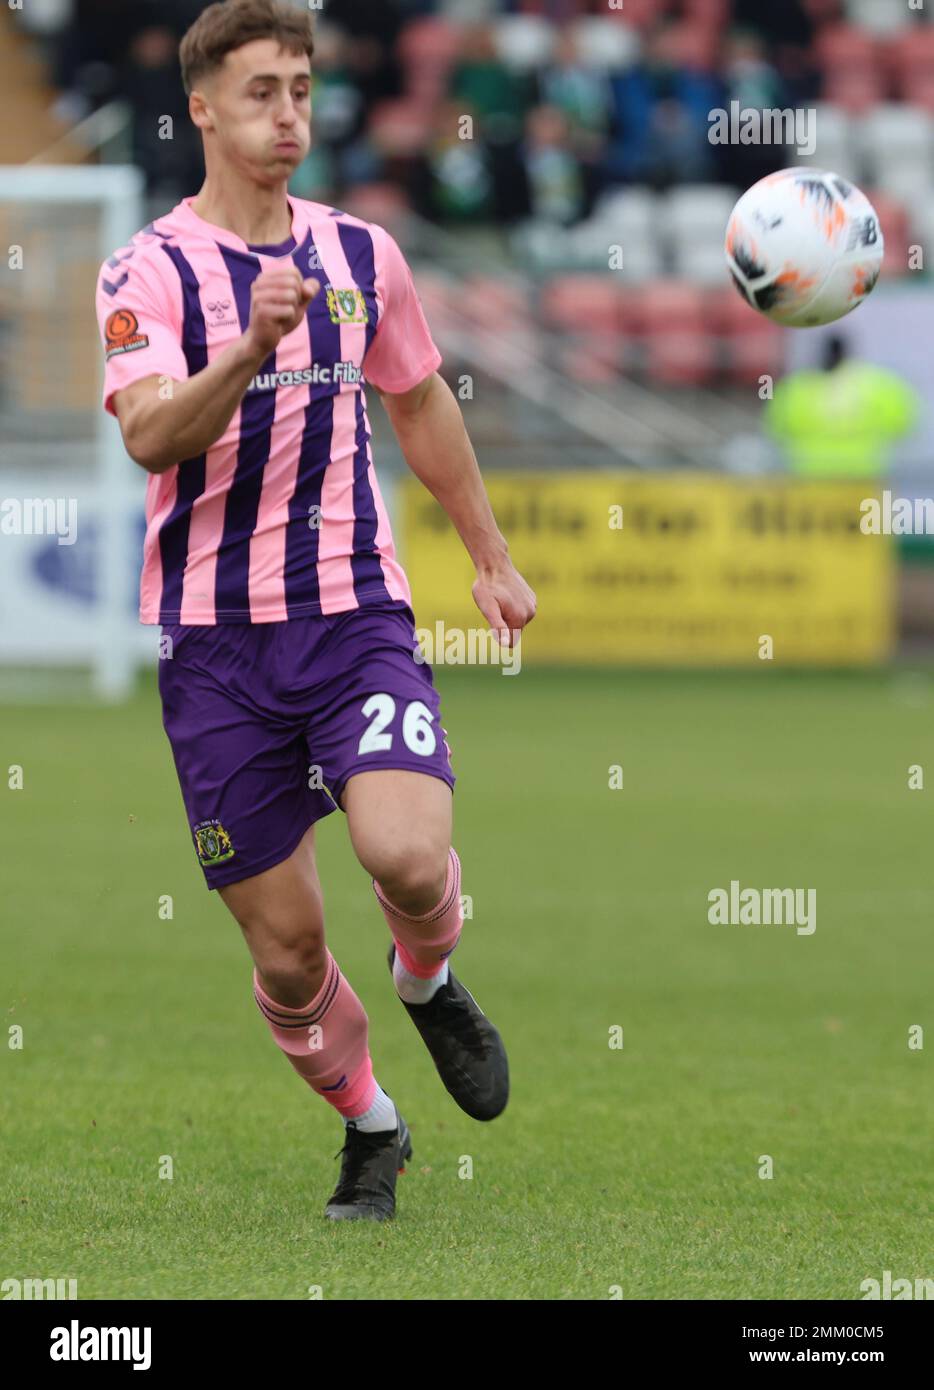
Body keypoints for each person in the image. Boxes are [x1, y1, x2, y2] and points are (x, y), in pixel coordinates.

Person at [94, 0, 536, 1222]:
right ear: (201, 108)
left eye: (299, 88)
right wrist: (243, 349)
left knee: (403, 849)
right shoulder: (145, 270)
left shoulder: (360, 255)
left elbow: (419, 401)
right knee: (286, 957)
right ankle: (373, 1128)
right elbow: (149, 437)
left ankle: (428, 974)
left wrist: (489, 557)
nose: (287, 113)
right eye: (259, 92)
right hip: (216, 649)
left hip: (354, 618)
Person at [765, 335, 921, 479]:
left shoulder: (796, 388)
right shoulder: (878, 384)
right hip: (864, 475)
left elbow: (775, 429)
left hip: (811, 478)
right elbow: (906, 422)